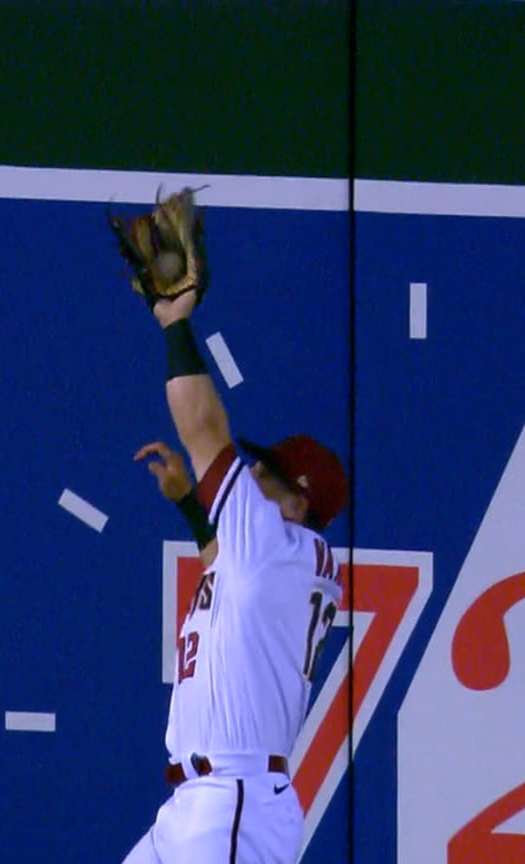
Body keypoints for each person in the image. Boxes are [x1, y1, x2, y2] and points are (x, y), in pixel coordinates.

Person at [124, 287, 349, 864]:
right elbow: (226, 569)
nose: (252, 475)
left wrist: (175, 325)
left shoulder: (272, 543)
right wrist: (190, 507)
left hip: (232, 802)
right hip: (205, 803)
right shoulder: (277, 558)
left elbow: (203, 428)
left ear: (298, 504)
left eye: (269, 475)